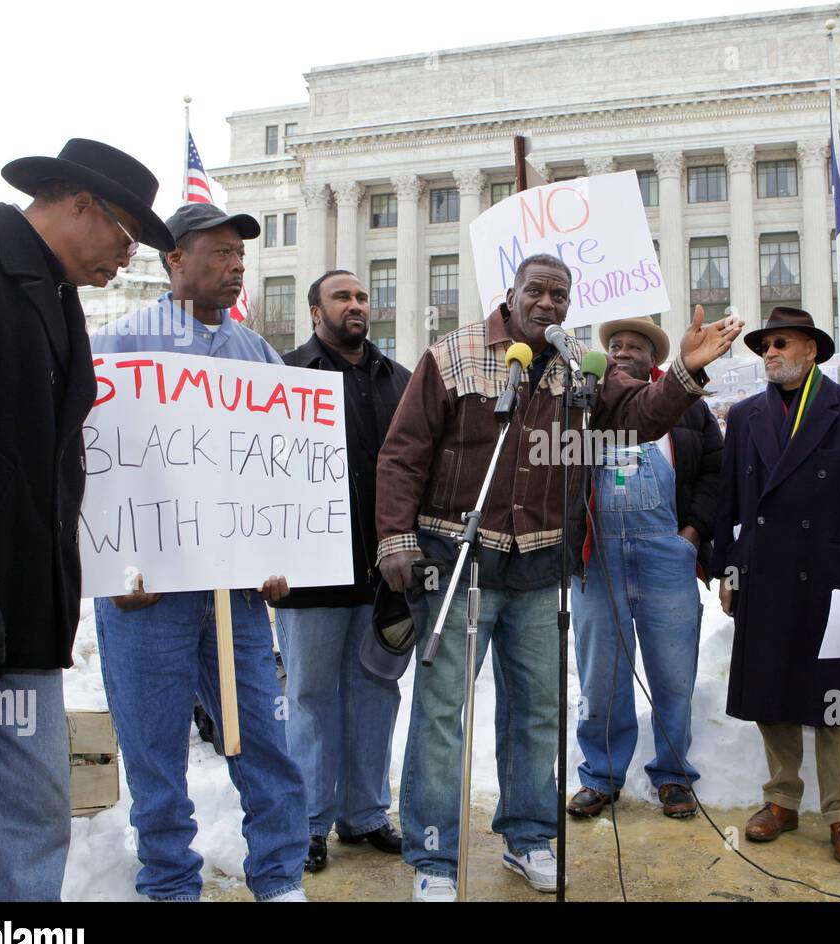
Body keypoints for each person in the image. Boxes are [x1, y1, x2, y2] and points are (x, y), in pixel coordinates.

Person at [375, 254, 741, 900]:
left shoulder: (578, 367)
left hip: (541, 567)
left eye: (560, 294)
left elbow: (637, 418)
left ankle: (527, 836)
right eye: (536, 291)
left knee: (538, 711)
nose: (548, 303)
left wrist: (686, 369)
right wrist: (396, 538)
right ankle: (434, 857)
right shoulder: (453, 354)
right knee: (442, 713)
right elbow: (404, 451)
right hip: (461, 562)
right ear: (509, 295)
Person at [0, 139, 171, 902]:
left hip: (29, 620)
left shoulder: (61, 300)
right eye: (125, 239)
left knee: (32, 814)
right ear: (77, 205)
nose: (126, 260)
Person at [90, 202, 308, 902]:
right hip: (145, 593)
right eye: (217, 252)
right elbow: (89, 465)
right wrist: (112, 563)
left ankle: (279, 877)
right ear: (174, 260)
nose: (235, 263)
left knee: (264, 738)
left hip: (237, 595)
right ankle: (170, 881)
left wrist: (282, 555)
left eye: (239, 253)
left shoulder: (257, 355)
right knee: (154, 749)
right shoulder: (120, 344)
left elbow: (282, 467)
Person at [712, 307, 840, 867]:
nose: (770, 353)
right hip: (765, 574)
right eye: (764, 345)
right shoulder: (743, 417)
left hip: (834, 577)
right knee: (773, 692)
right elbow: (732, 503)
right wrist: (728, 568)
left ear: (811, 350)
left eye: (782, 343)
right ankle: (782, 800)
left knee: (834, 702)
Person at [272, 270, 411, 872]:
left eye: (361, 297)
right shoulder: (283, 379)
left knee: (376, 690)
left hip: (384, 573)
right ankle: (308, 823)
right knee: (309, 696)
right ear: (314, 312)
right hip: (308, 576)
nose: (356, 305)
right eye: (342, 298)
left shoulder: (401, 381)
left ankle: (366, 814)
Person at [567, 316, 722, 821]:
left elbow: (717, 469)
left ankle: (674, 775)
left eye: (635, 346)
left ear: (653, 359)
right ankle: (602, 775)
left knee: (673, 673)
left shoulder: (685, 407)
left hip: (666, 554)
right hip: (598, 555)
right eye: (614, 345)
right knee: (601, 676)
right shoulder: (581, 404)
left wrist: (692, 533)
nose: (621, 352)